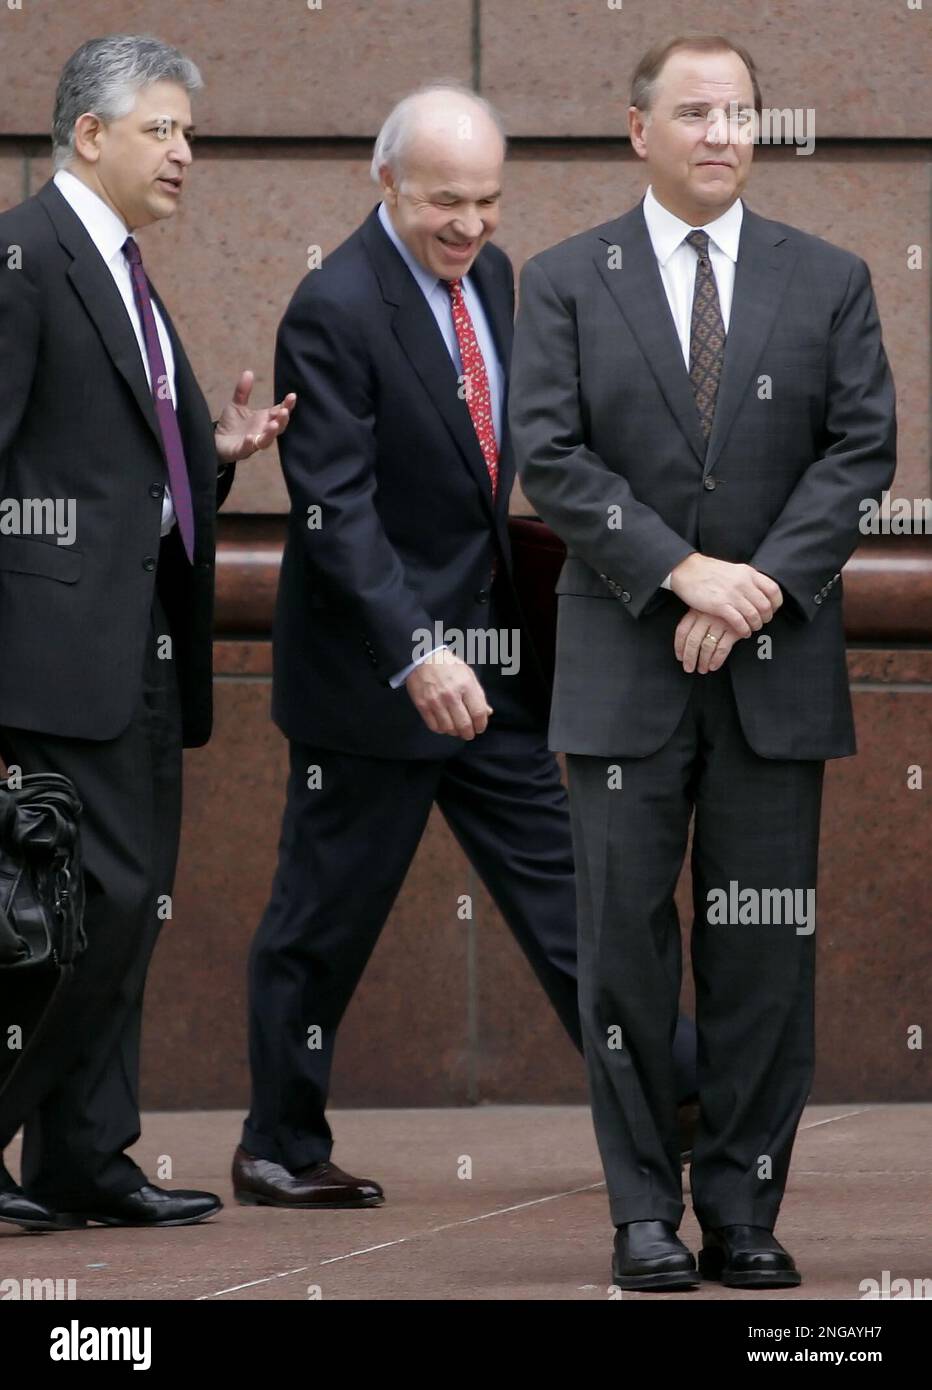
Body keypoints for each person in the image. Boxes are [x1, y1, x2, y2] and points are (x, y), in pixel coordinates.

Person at [233, 83, 699, 1210]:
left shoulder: (490, 276)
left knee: (573, 895)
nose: (471, 224)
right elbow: (335, 510)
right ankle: (278, 1146)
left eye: (488, 199)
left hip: (489, 665)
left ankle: (680, 1101)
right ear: (385, 181)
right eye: (446, 200)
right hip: (376, 680)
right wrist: (415, 652)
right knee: (321, 923)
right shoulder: (333, 306)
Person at [508, 34, 896, 1290]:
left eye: (738, 113)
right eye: (693, 113)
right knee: (622, 949)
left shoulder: (826, 278)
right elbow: (548, 455)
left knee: (761, 954)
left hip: (774, 672)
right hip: (622, 669)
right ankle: (640, 1212)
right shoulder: (567, 279)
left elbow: (859, 452)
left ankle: (741, 1208)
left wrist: (753, 589)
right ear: (639, 131)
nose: (721, 134)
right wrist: (682, 573)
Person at [0, 34, 294, 1231]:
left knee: (126, 911)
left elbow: (103, 459)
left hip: (145, 645)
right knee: (86, 907)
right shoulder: (26, 258)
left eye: (188, 132)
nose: (183, 153)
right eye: (160, 129)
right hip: (51, 657)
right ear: (89, 134)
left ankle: (85, 1155)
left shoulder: (121, 265)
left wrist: (206, 459)